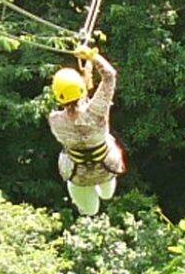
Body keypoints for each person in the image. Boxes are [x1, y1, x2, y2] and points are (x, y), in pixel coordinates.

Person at [47, 46, 126, 216]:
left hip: (78, 175)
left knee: (91, 211)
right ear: (82, 89)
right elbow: (109, 75)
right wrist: (92, 56)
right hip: (107, 168)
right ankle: (103, 192)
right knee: (107, 195)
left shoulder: (55, 121)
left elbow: (73, 114)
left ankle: (88, 207)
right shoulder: (97, 111)